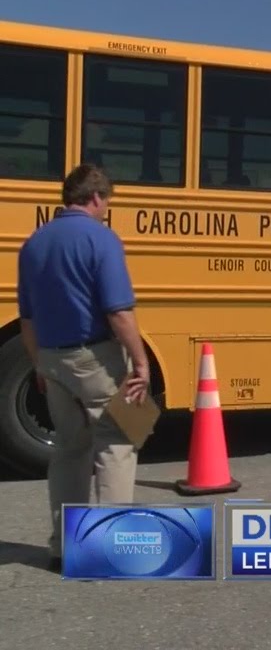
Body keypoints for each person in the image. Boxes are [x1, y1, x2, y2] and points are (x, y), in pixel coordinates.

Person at [17, 163, 150, 572]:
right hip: (97, 357)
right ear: (96, 197)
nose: (108, 208)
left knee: (70, 451)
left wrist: (40, 364)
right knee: (119, 442)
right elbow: (119, 313)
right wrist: (141, 362)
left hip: (52, 359)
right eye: (107, 200)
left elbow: (27, 319)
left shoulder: (34, 242)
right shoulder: (102, 239)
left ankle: (63, 546)